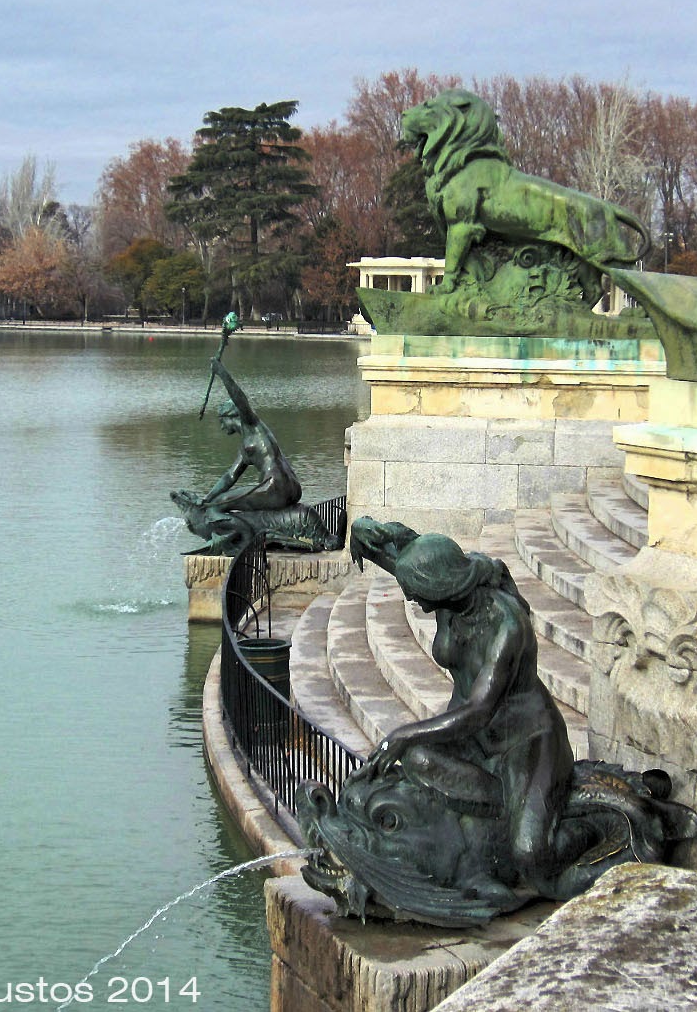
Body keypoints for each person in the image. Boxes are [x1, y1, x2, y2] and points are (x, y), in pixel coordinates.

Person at [350, 520, 578, 896]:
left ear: (440, 585)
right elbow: (405, 560)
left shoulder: (507, 625)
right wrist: (362, 531)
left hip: (524, 741)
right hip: (471, 735)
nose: (411, 599)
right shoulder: (445, 596)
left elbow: (479, 710)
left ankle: (588, 837)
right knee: (417, 759)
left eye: (416, 592)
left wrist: (403, 734)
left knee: (532, 855)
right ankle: (489, 831)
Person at [198, 356, 302, 514]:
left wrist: (221, 372)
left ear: (230, 416)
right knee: (218, 501)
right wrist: (206, 499)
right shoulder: (246, 446)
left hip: (276, 488)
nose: (222, 427)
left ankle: (222, 529)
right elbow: (230, 477)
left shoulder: (251, 425)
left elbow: (239, 399)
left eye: (221, 421)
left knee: (221, 502)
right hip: (292, 487)